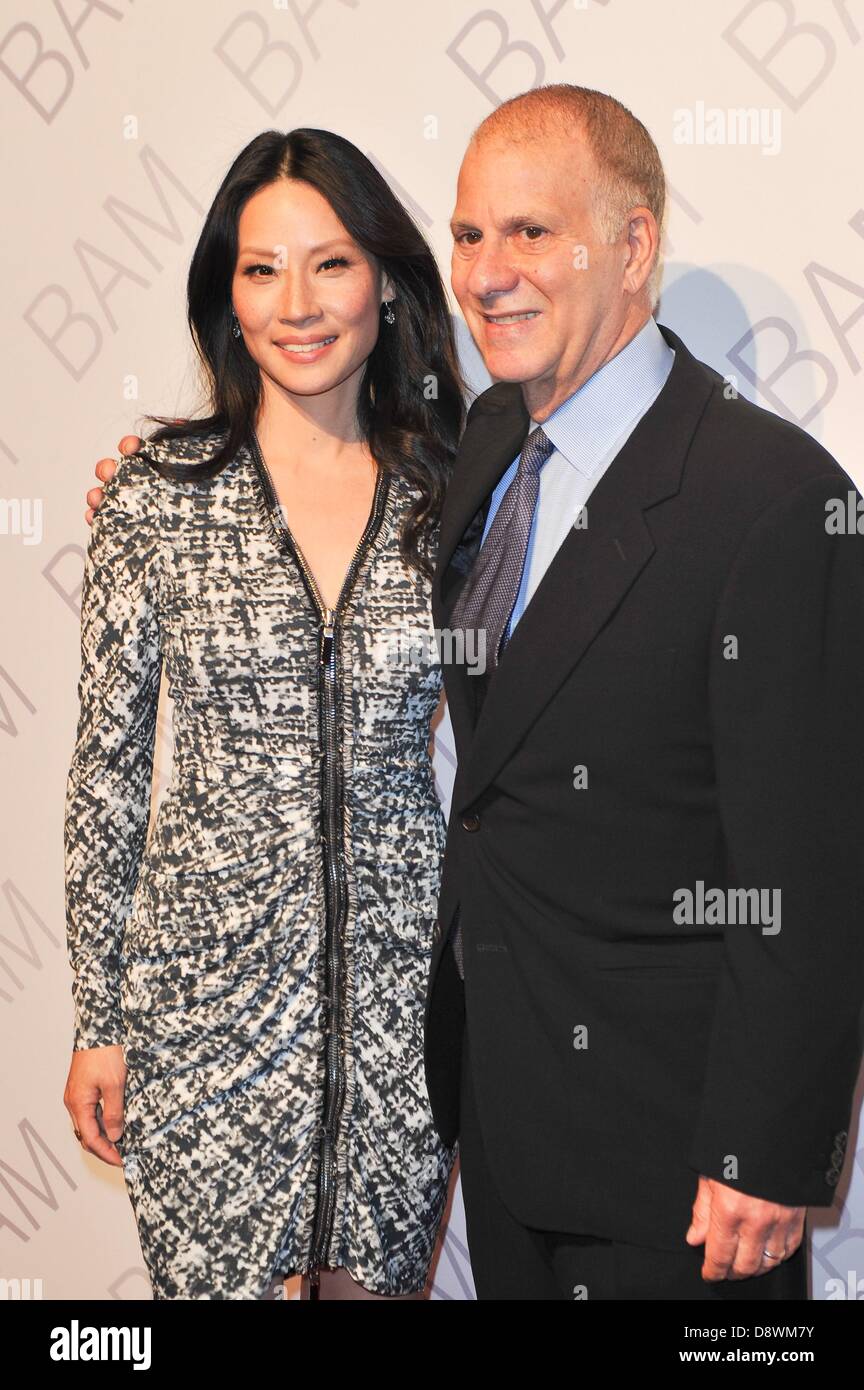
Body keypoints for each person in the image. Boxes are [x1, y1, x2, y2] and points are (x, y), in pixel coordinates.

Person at [423, 84, 864, 1300]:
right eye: (467, 235)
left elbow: (816, 861)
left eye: (530, 233)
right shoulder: (484, 449)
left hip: (687, 1176)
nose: (487, 272)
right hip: (508, 1138)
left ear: (634, 246)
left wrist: (767, 1151)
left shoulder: (771, 497)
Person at [63, 126, 465, 1301]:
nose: (297, 302)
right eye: (260, 268)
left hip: (397, 1016)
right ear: (226, 295)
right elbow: (105, 771)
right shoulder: (157, 496)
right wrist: (100, 1011)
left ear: (386, 281)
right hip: (201, 1017)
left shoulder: (454, 496)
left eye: (330, 263)